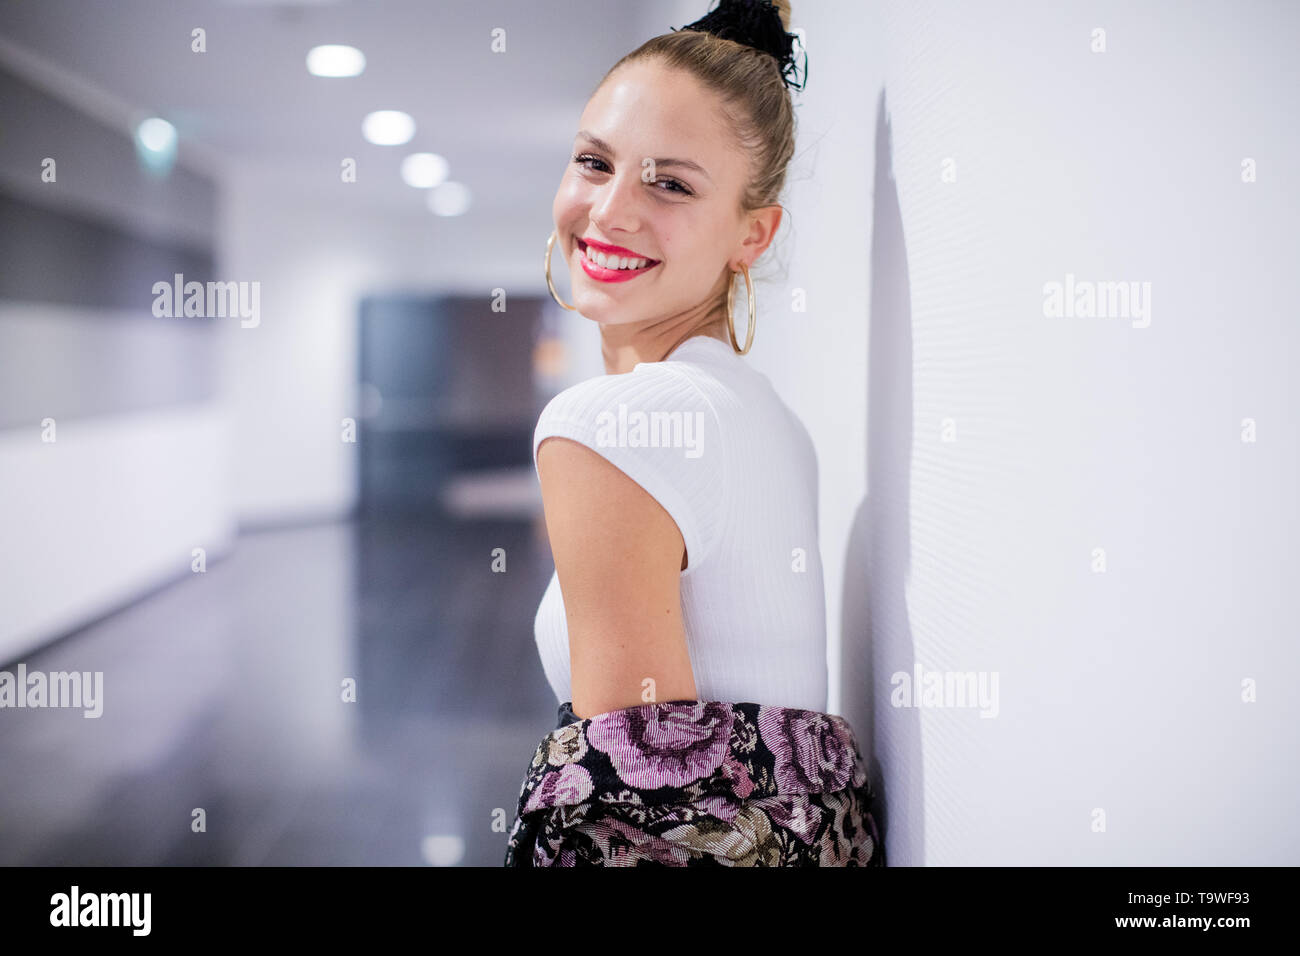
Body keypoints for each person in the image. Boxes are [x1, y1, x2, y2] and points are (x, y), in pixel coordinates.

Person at [505, 0, 884, 867]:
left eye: (669, 183)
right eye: (594, 162)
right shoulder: (773, 422)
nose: (608, 212)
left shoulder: (607, 423)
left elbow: (640, 829)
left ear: (755, 233)